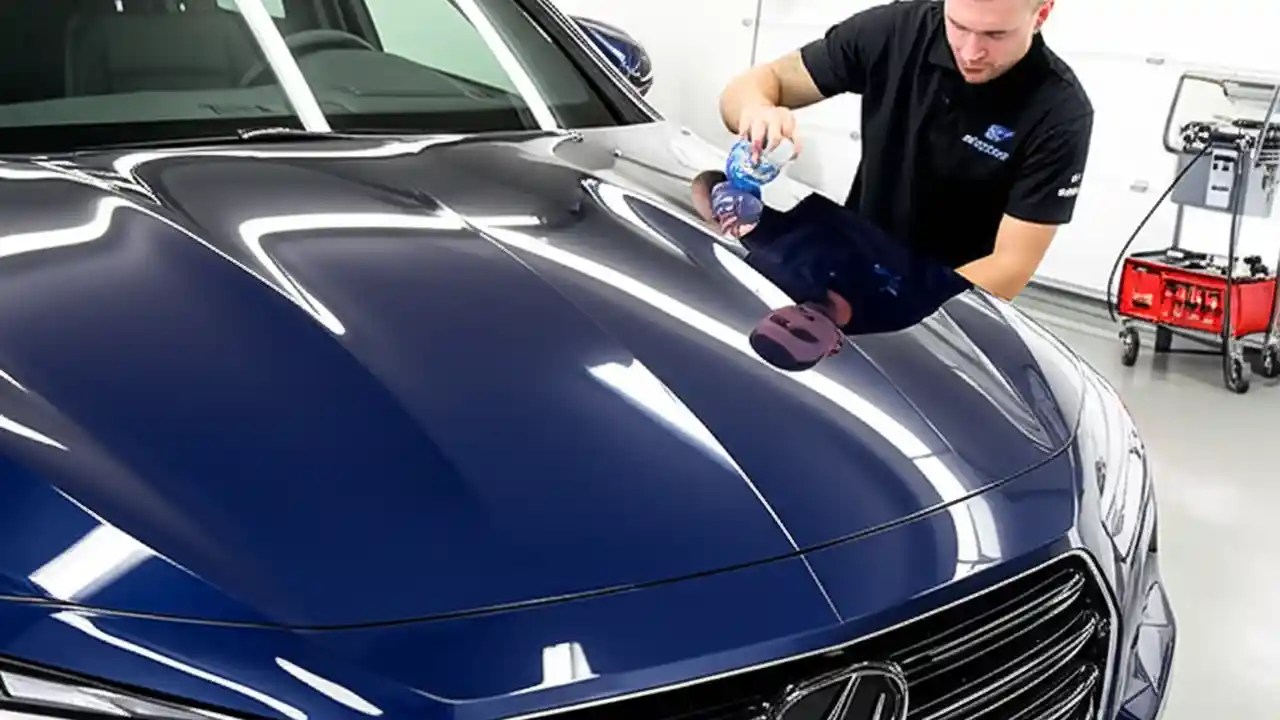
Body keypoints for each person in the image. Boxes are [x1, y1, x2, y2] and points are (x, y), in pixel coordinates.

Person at [717, 0, 1093, 300]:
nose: (971, 50)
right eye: (959, 26)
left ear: (1041, 14)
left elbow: (1010, 265)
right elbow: (756, 86)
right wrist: (757, 111)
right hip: (847, 264)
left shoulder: (1059, 113)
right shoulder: (894, 32)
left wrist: (896, 310)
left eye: (995, 34)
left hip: (947, 302)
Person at [691, 170, 974, 372]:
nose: (799, 321)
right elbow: (975, 267)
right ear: (834, 346)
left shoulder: (779, 263)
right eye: (804, 335)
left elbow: (711, 186)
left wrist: (720, 203)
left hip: (893, 162)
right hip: (971, 202)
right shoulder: (896, 311)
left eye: (781, 322)